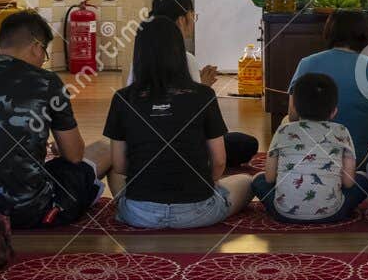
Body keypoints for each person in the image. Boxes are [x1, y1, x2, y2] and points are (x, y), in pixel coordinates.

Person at [0, 10, 112, 229]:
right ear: (37, 47)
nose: (42, 61)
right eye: (44, 54)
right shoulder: (47, 82)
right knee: (104, 149)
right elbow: (74, 156)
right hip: (26, 212)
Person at [103, 19, 256, 228]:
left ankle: (131, 205)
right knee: (247, 182)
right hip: (198, 212)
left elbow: (119, 165)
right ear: (179, 53)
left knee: (112, 166)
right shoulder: (203, 95)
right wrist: (204, 185)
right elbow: (220, 161)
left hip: (140, 215)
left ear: (139, 54)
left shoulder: (123, 98)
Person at [133, 0, 258, 167]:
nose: (193, 21)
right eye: (193, 16)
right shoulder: (186, 59)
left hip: (145, 147)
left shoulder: (139, 60)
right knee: (245, 144)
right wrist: (204, 87)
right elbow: (191, 111)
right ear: (182, 20)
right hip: (187, 150)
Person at [255, 71, 368, 223]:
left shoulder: (284, 130)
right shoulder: (341, 131)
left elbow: (269, 178)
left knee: (258, 180)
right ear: (334, 111)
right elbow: (348, 182)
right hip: (332, 214)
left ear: (294, 108)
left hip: (283, 214)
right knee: (364, 179)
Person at [290, 9, 368, 164]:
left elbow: (293, 115)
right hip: (364, 158)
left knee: (286, 122)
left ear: (329, 32)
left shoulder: (306, 63)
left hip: (313, 157)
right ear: (364, 33)